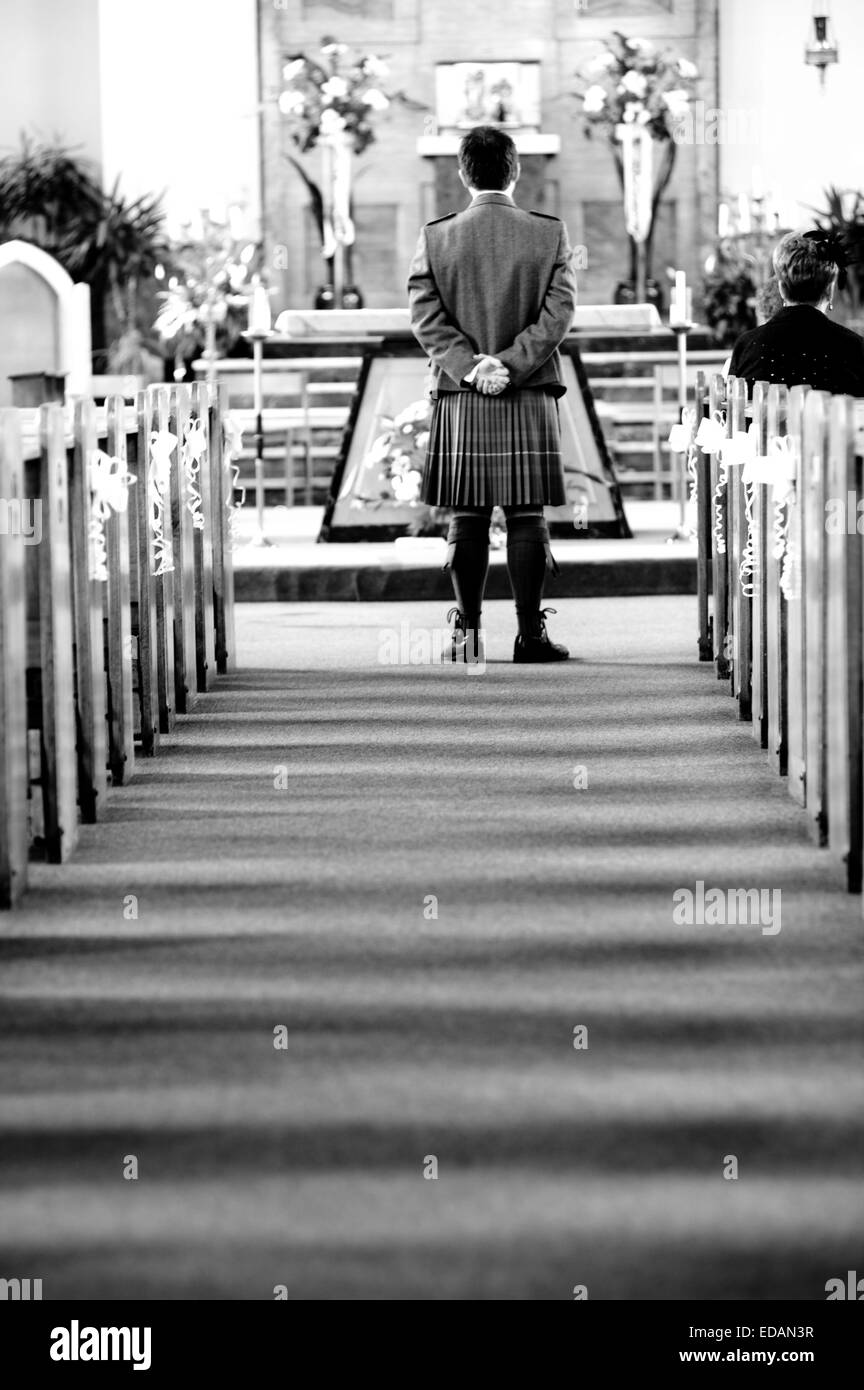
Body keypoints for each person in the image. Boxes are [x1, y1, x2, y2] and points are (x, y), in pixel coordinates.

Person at [407, 126, 577, 663]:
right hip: (526, 391)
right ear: (516, 170)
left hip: (463, 394)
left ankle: (468, 636)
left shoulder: (437, 236)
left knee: (468, 516)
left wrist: (471, 368)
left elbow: (424, 317)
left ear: (462, 172)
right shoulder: (548, 233)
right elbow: (559, 315)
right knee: (527, 515)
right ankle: (531, 637)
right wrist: (510, 364)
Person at [728, 231, 864, 396]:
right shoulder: (855, 347)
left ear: (781, 289)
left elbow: (727, 416)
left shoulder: (747, 346)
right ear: (830, 290)